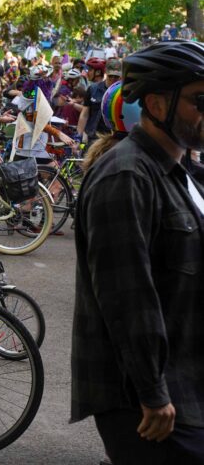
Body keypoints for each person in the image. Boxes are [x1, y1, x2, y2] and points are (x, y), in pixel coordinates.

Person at [72, 40, 204, 465]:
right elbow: (127, 297)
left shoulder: (182, 174)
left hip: (187, 387)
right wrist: (152, 391)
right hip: (152, 403)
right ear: (156, 103)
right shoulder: (126, 176)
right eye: (200, 101)